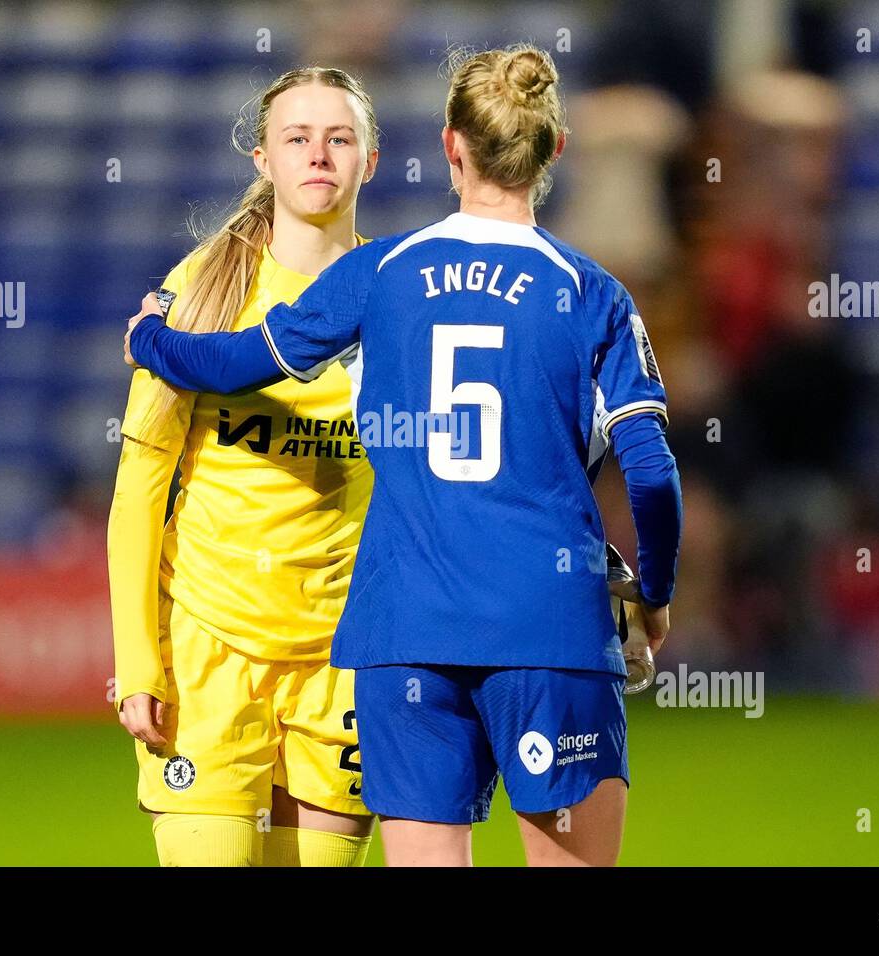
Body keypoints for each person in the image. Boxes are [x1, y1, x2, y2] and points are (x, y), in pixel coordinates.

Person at [124, 44, 682, 866]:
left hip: (404, 633)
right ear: (554, 150)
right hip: (549, 625)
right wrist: (655, 592)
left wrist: (152, 338)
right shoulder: (590, 291)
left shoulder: (382, 272)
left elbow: (235, 363)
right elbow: (653, 470)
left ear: (450, 145)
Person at [107, 67, 381, 867]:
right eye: (297, 138)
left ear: (370, 157)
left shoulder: (395, 299)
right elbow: (138, 493)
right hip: (207, 652)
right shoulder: (199, 295)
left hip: (342, 663)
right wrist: (136, 660)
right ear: (263, 158)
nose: (318, 155)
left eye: (339, 138)